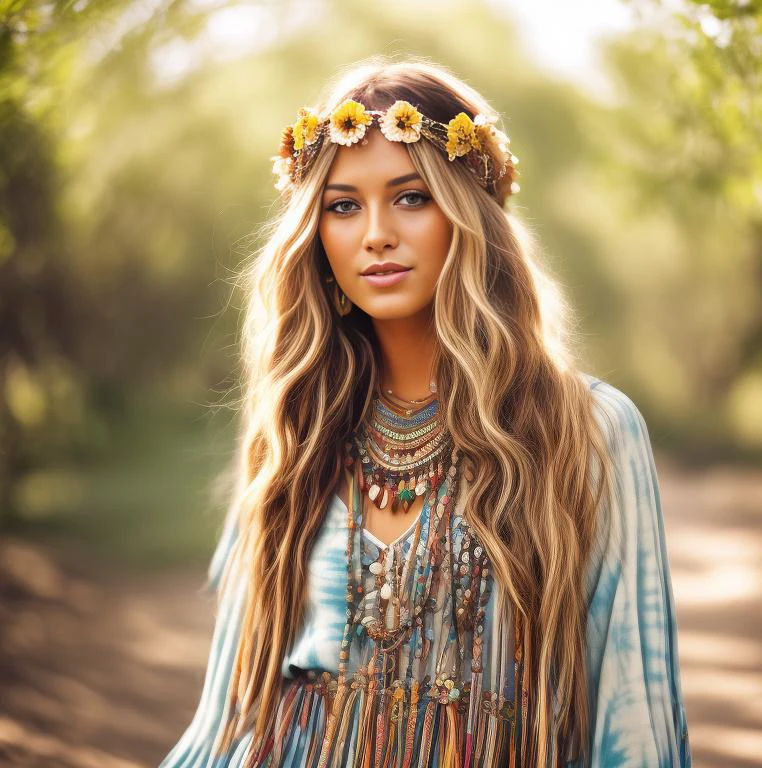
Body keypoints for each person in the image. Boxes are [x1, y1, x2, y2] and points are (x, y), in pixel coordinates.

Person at [159, 56, 692, 767]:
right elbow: (230, 714)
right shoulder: (299, 428)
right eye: (343, 205)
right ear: (318, 238)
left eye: (411, 197)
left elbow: (632, 715)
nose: (375, 233)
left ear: (468, 214)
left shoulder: (586, 431)